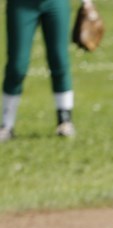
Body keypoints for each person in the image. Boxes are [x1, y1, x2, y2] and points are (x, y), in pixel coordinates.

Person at [1, 0, 93, 142]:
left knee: (59, 61)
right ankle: (7, 125)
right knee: (17, 66)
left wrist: (87, 2)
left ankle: (65, 120)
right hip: (21, 4)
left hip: (55, 3)